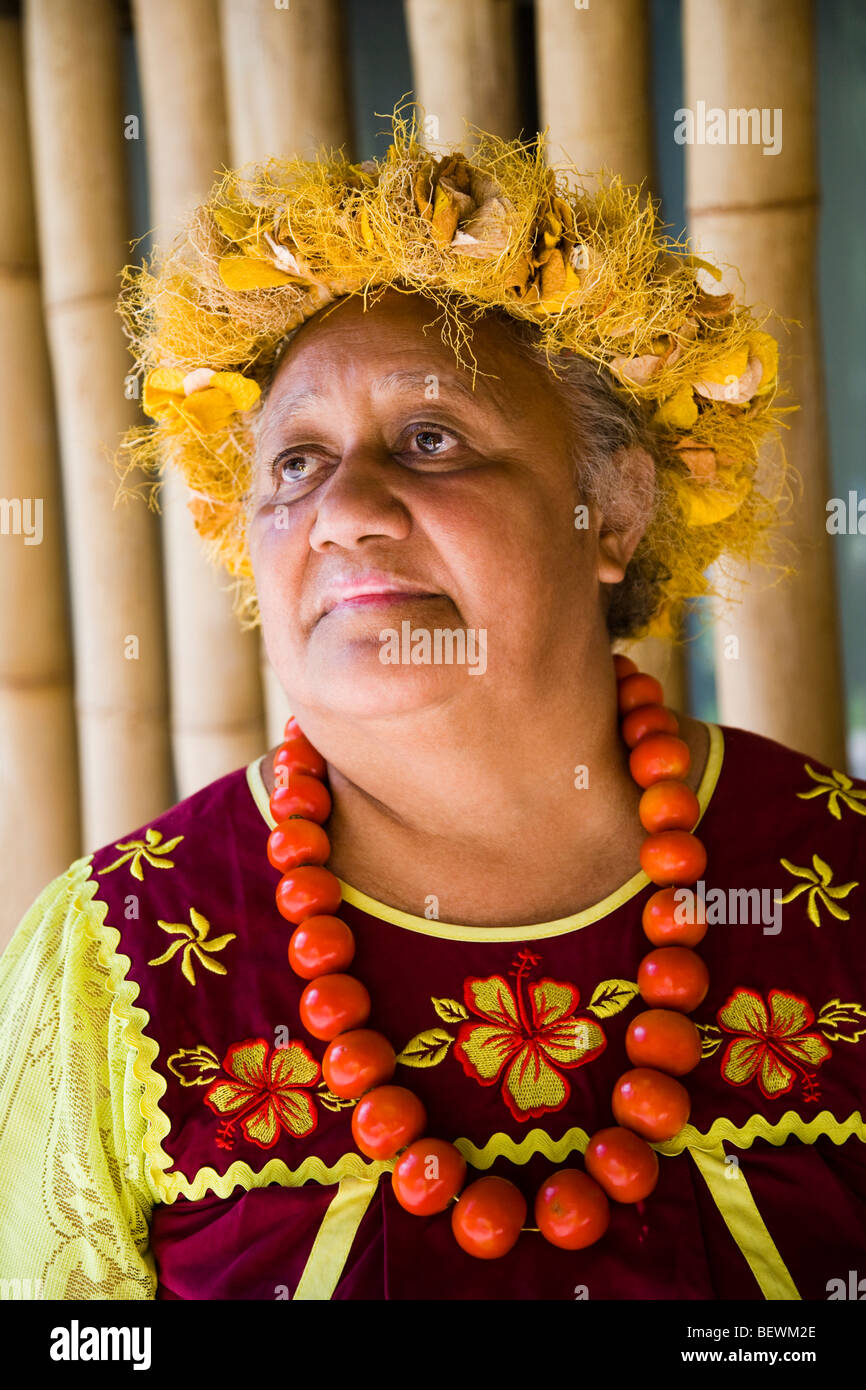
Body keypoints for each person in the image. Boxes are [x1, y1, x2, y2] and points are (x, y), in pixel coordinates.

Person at [0, 108, 864, 1301]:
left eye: (428, 437)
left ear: (607, 511)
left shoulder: (840, 876)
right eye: (293, 462)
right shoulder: (117, 961)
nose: (344, 509)